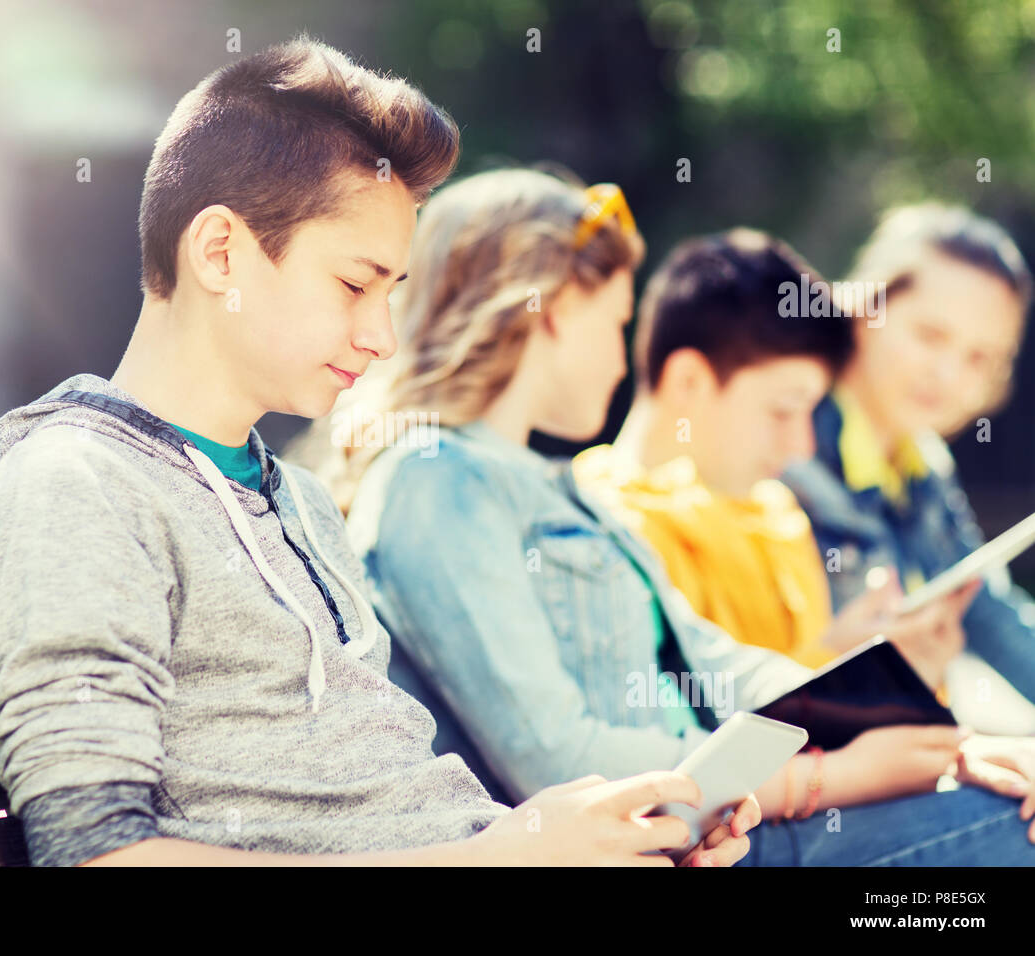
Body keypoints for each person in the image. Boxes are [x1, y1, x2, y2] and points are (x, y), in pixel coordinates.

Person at [0, 37, 754, 867]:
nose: (381, 337)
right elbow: (94, 854)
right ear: (220, 252)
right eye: (353, 284)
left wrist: (587, 839)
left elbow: (392, 809)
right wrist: (505, 857)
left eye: (391, 294)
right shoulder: (77, 482)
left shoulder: (297, 501)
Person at [330, 165, 1035, 864]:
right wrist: (826, 775)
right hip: (680, 832)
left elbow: (718, 664)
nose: (622, 361)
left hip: (715, 823)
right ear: (549, 313)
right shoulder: (435, 481)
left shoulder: (556, 489)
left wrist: (921, 732)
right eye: (614, 324)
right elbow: (556, 757)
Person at [575, 229, 979, 693]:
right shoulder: (595, 528)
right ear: (689, 382)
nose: (802, 447)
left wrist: (891, 674)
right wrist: (832, 668)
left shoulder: (779, 518)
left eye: (811, 412)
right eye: (783, 409)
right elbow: (679, 738)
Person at [779, 204, 1035, 729]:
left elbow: (986, 610)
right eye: (930, 336)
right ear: (866, 307)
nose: (948, 376)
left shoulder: (923, 462)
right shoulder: (784, 441)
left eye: (980, 357)